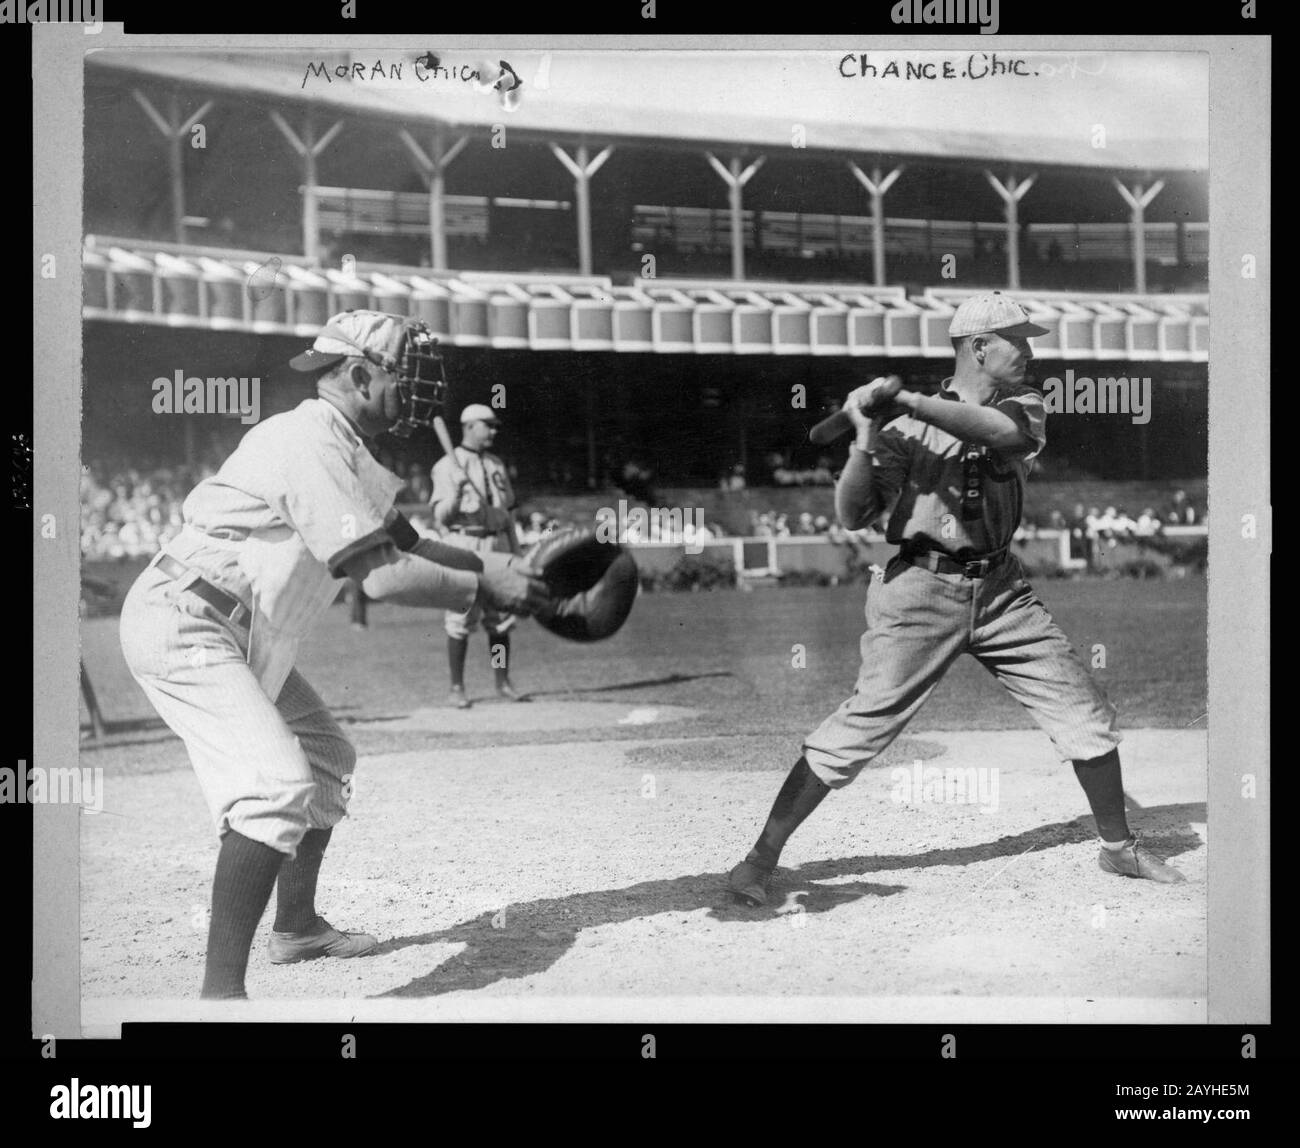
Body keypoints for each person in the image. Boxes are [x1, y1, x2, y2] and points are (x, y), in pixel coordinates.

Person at [118, 311, 551, 1000]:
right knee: (274, 787)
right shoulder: (307, 441)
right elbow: (377, 574)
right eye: (401, 378)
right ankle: (219, 1003)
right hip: (188, 623)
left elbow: (408, 544)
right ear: (357, 374)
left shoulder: (347, 450)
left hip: (242, 627)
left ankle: (297, 927)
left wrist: (501, 568)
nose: (413, 393)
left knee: (325, 756)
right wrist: (483, 583)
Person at [726, 292, 1185, 908]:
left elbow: (1000, 435)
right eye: (1016, 341)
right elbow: (854, 512)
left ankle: (1118, 847)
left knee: (1081, 707)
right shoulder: (901, 428)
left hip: (1002, 591)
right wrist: (864, 436)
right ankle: (757, 861)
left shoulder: (1022, 405)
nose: (1028, 351)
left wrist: (909, 400)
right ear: (978, 347)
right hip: (919, 590)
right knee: (859, 727)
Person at [430, 403, 525, 707]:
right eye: (488, 425)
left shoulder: (496, 464)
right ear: (470, 426)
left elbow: (508, 513)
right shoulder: (446, 465)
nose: (494, 431)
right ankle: (457, 687)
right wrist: (456, 494)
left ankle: (503, 682)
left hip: (497, 544)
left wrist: (516, 553)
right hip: (465, 545)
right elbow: (440, 519)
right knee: (461, 617)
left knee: (500, 620)